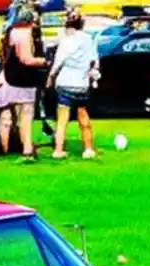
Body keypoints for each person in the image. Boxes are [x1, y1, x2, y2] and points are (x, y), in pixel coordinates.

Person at [47, 10, 97, 159]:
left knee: (62, 120)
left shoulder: (66, 41)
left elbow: (58, 62)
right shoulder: (89, 40)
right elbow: (94, 60)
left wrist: (50, 77)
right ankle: (88, 149)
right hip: (81, 83)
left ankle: (58, 150)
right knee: (83, 116)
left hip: (64, 82)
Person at [0, 6, 45, 161]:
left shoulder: (9, 33)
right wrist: (44, 61)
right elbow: (26, 59)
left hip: (8, 77)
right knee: (26, 115)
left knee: (7, 114)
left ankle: (4, 148)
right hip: (23, 80)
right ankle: (27, 150)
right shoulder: (25, 34)